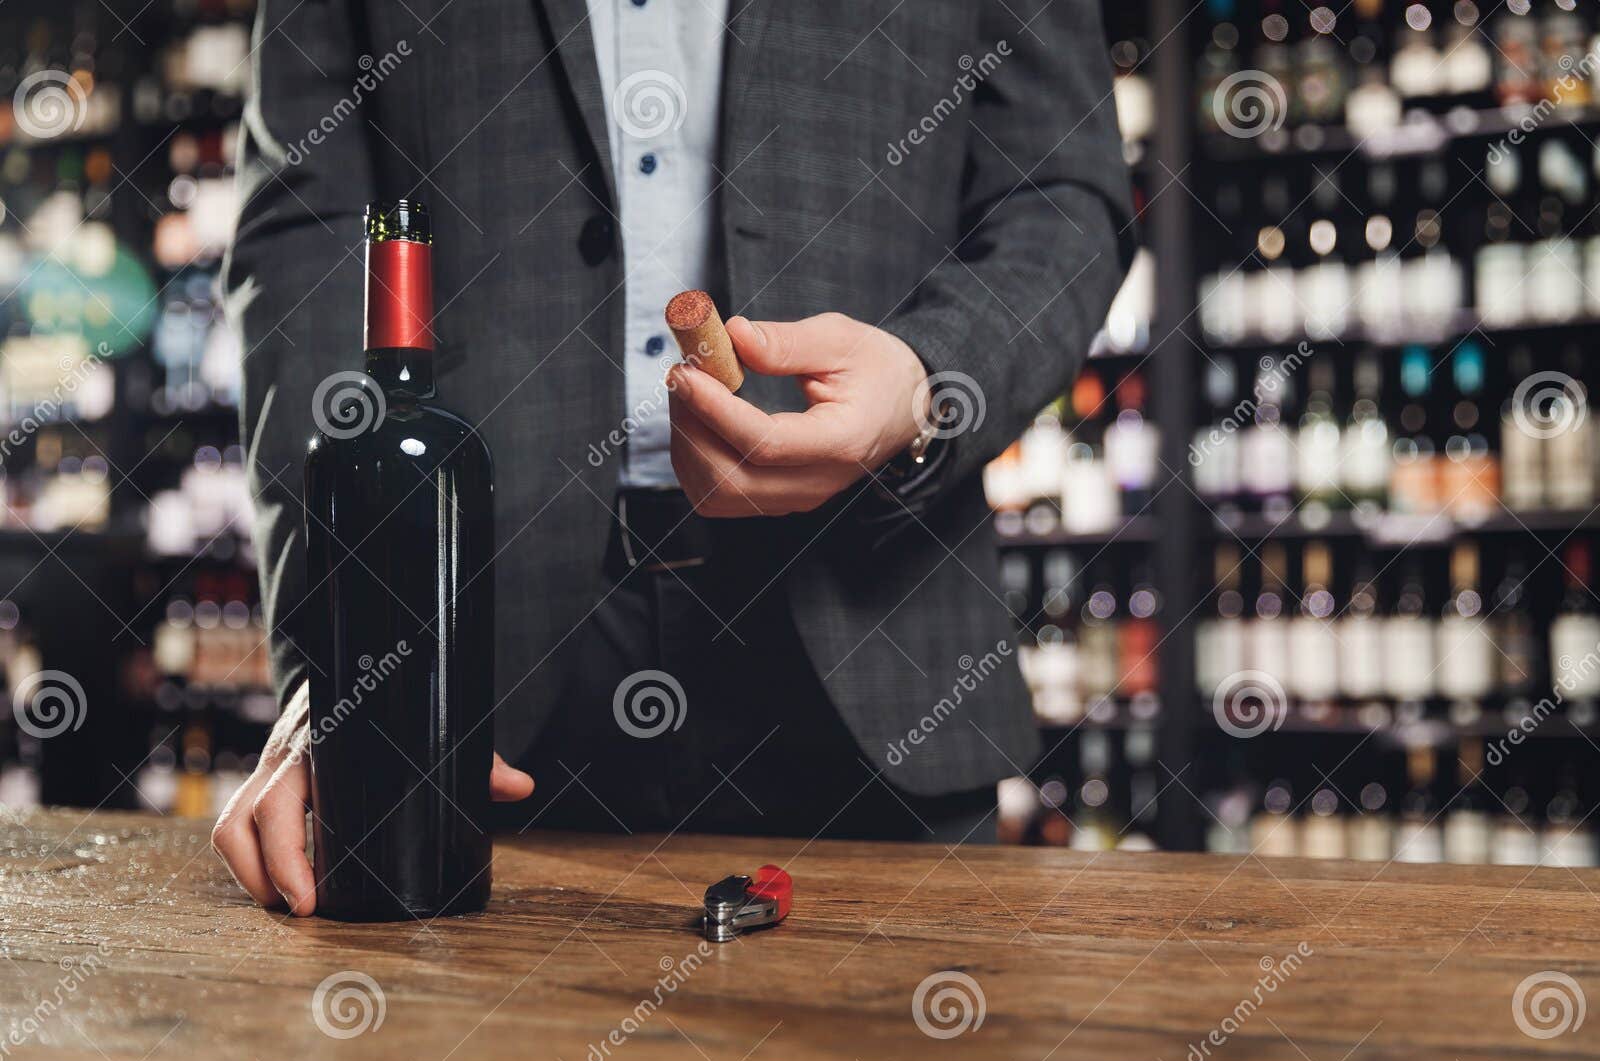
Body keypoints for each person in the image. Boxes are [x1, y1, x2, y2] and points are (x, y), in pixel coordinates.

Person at [213, 0, 1133, 915]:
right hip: (471, 675)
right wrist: (343, 660)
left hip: (881, 625)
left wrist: (929, 376)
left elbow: (1064, 193)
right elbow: (305, 235)